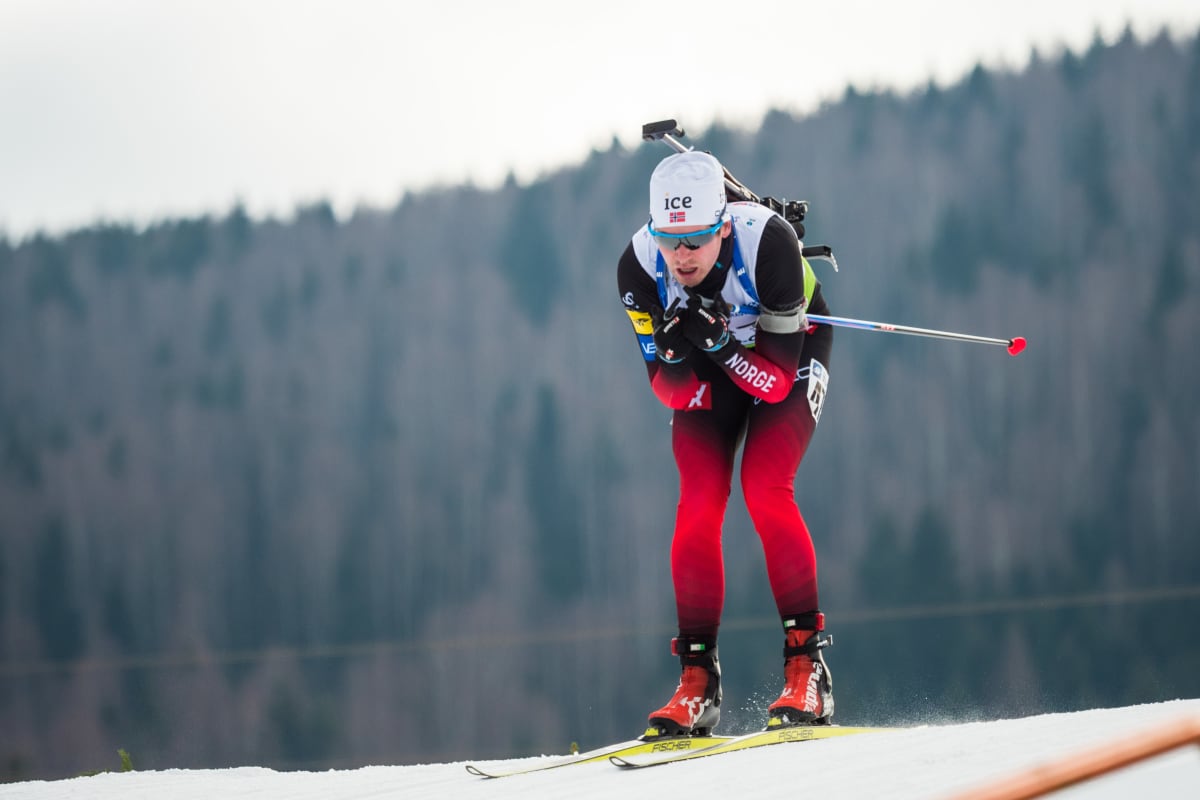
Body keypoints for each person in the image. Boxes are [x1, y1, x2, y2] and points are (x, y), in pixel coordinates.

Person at [616, 149, 835, 738]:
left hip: (787, 351)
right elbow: (665, 388)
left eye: (696, 240)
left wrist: (717, 346)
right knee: (697, 507)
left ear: (723, 225)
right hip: (716, 360)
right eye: (670, 239)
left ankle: (806, 670)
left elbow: (775, 379)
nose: (681, 256)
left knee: (765, 487)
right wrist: (673, 350)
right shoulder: (640, 268)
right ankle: (697, 683)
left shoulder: (770, 247)